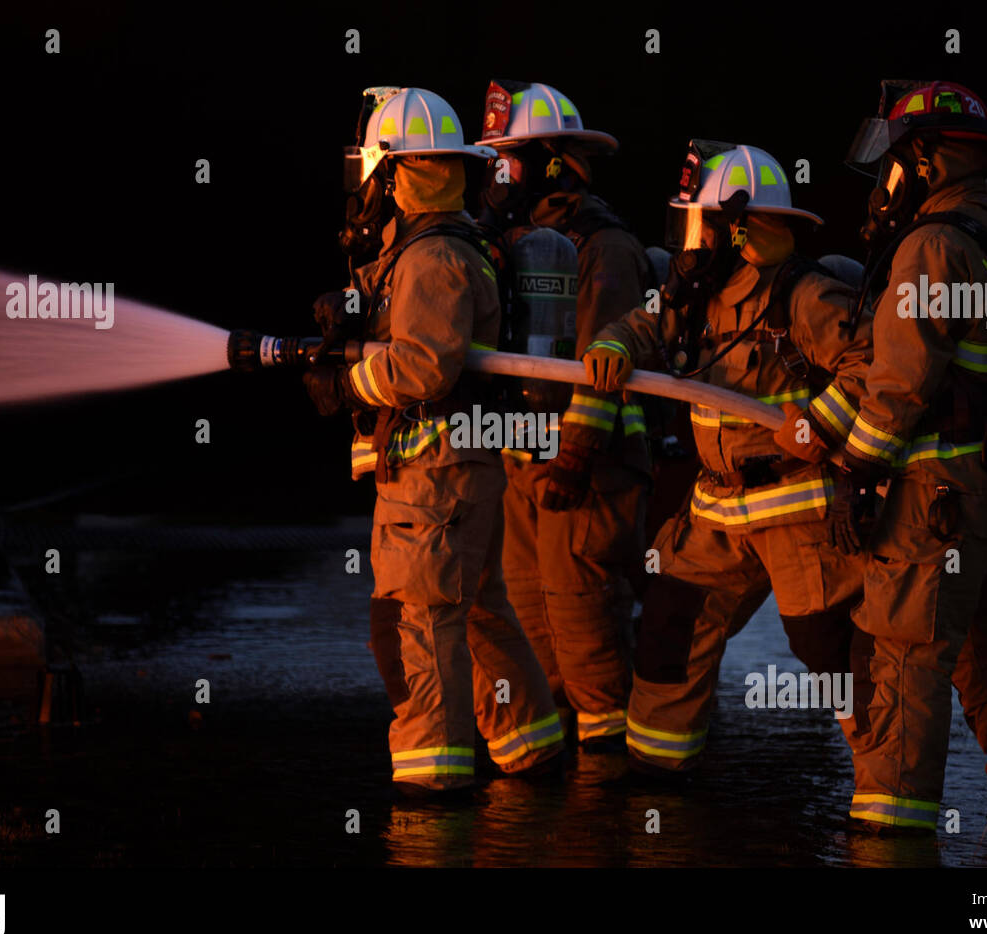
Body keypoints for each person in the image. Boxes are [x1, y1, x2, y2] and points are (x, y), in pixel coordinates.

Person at [305, 86, 564, 794]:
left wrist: (351, 381)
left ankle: (432, 800)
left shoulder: (432, 256)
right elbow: (408, 319)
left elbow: (423, 363)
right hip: (457, 469)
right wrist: (352, 308)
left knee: (418, 626)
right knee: (478, 612)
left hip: (434, 473)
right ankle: (534, 755)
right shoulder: (439, 244)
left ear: (395, 171)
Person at [835, 80, 987, 832]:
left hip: (934, 504)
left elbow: (902, 387)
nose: (886, 183)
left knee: (906, 663)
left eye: (895, 163)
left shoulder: (931, 246)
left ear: (926, 161)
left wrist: (856, 471)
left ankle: (891, 834)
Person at [586, 141, 873, 775]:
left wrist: (820, 426)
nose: (689, 246)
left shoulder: (804, 296)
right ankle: (657, 793)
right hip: (716, 511)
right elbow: (641, 325)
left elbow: (874, 366)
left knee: (829, 651)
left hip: (799, 510)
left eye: (701, 227)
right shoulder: (690, 297)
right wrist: (613, 344)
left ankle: (891, 786)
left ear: (741, 231)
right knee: (668, 631)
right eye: (686, 227)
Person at [474, 79, 653, 751]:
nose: (496, 175)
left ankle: (608, 776)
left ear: (551, 161)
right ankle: (550, 803)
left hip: (589, 474)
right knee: (529, 618)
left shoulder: (601, 246)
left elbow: (602, 357)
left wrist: (575, 454)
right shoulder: (518, 243)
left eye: (507, 159)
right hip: (524, 463)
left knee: (584, 624)